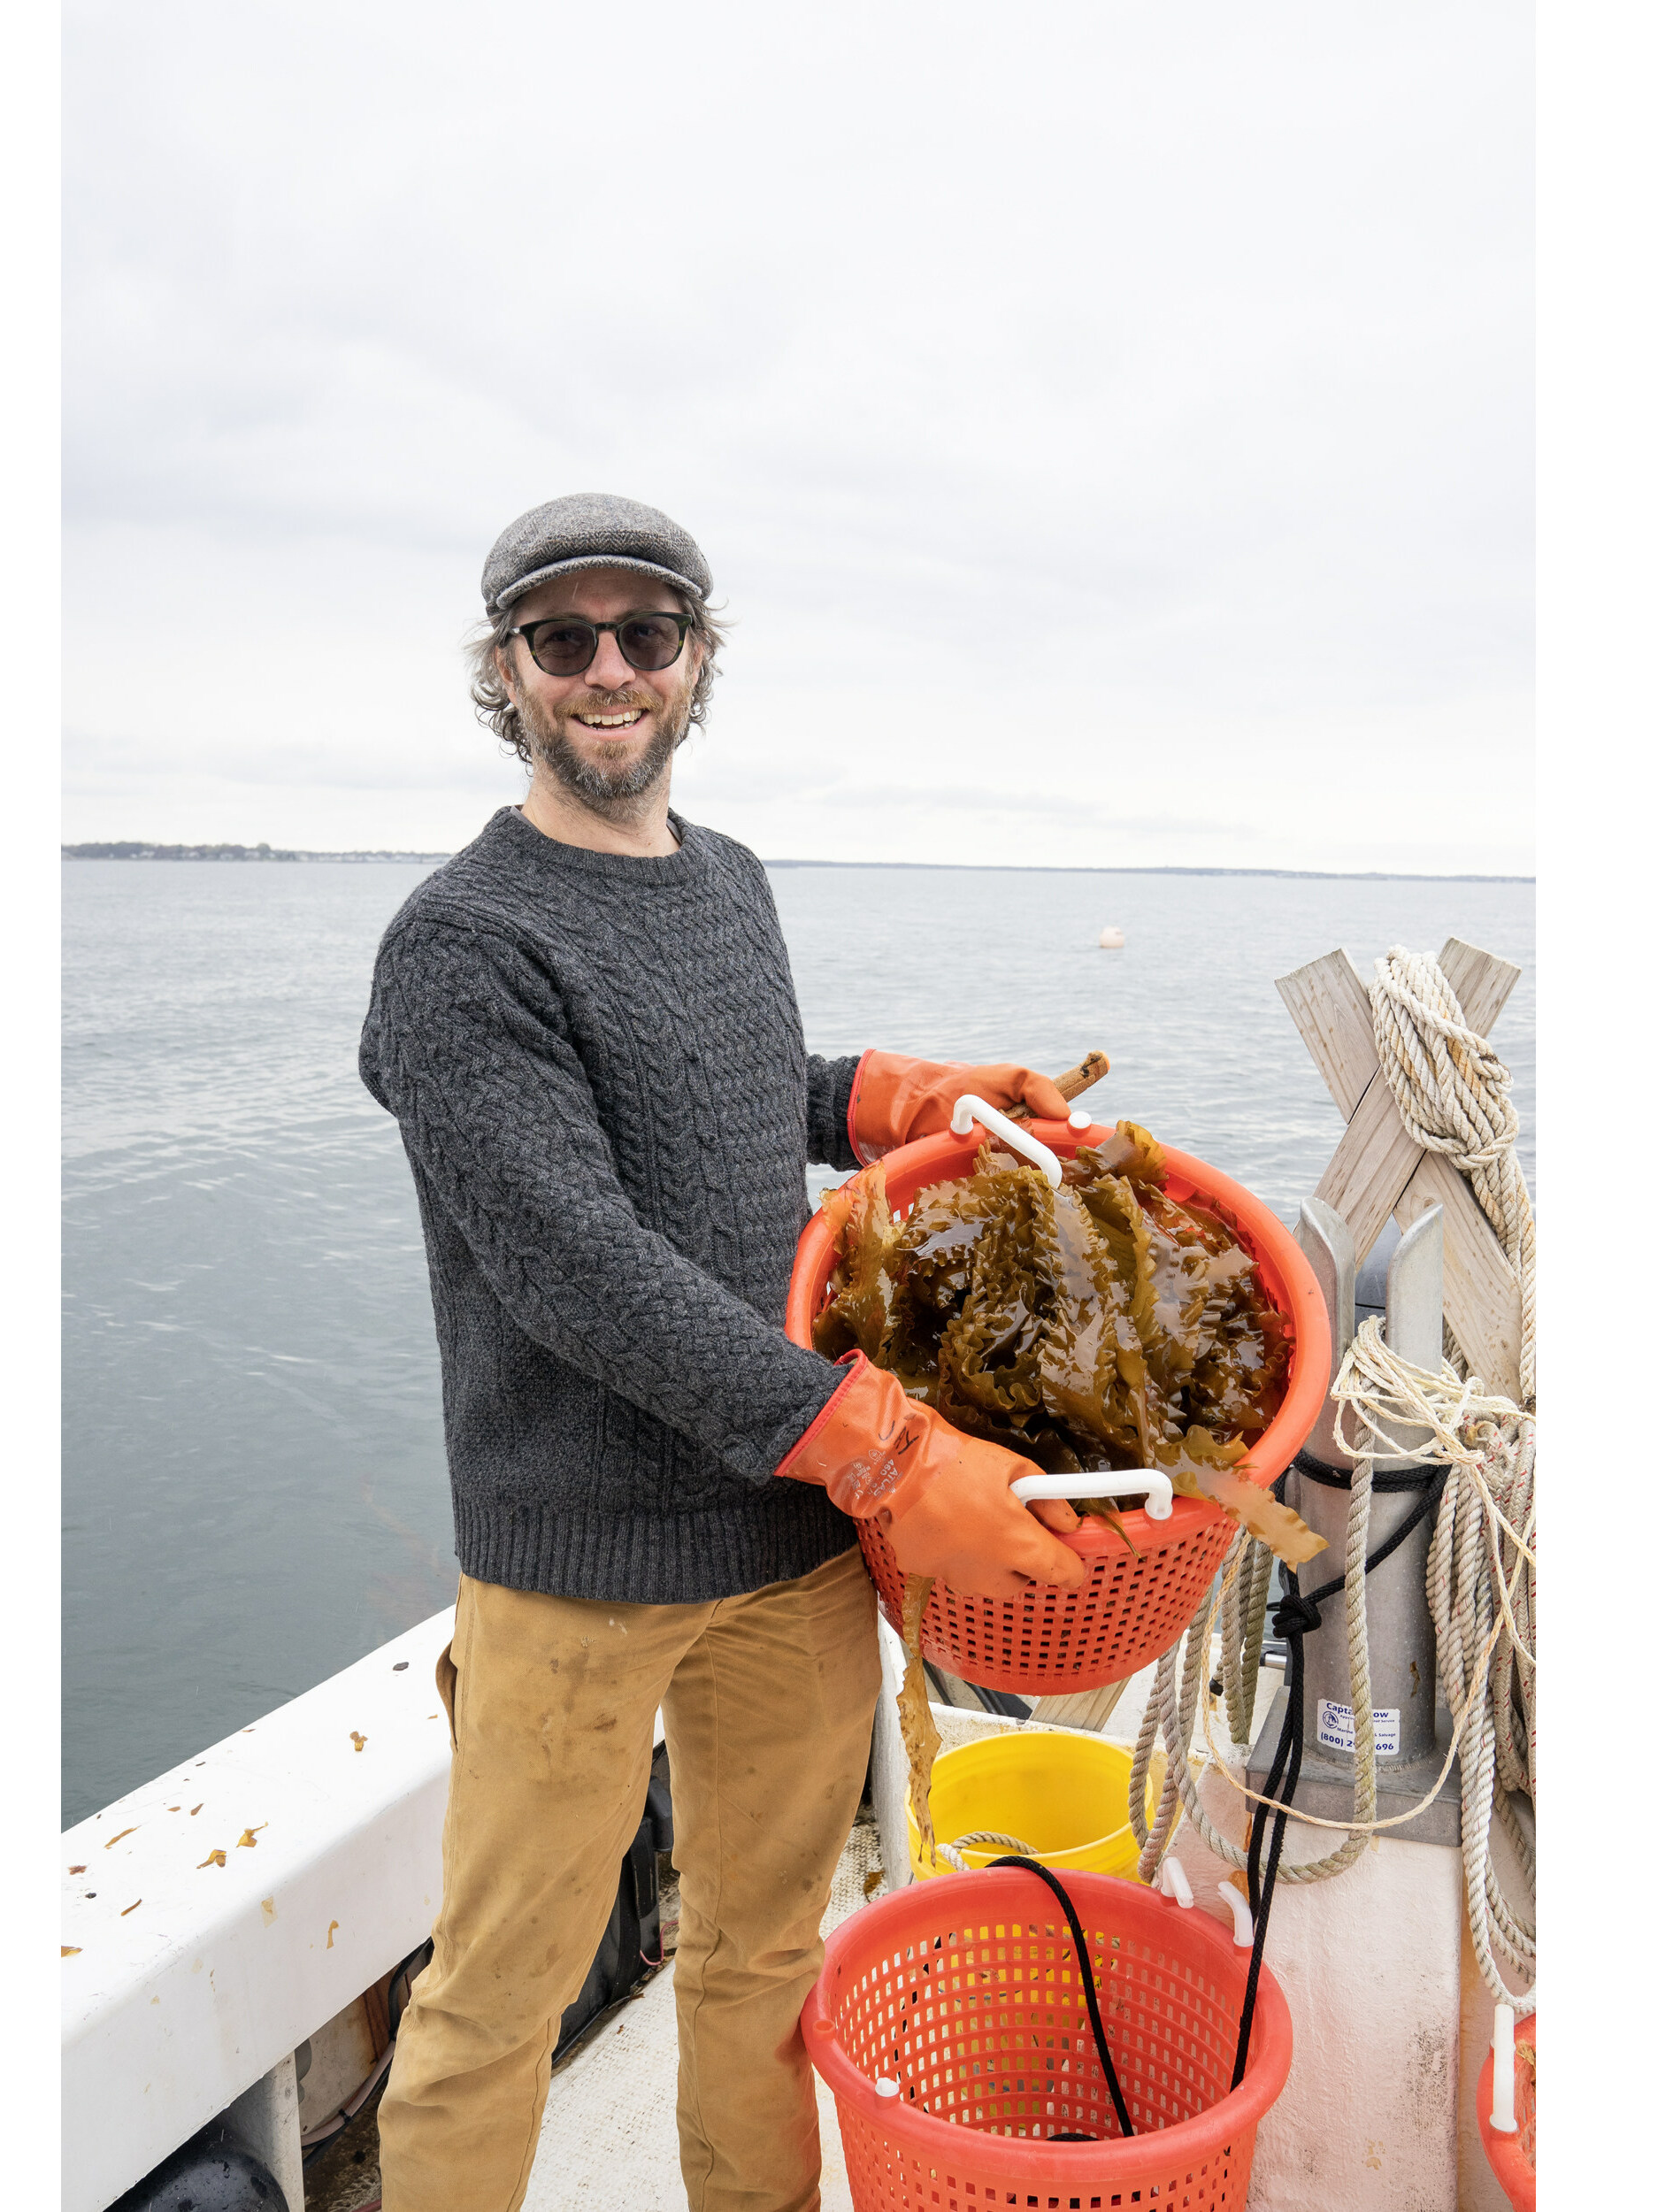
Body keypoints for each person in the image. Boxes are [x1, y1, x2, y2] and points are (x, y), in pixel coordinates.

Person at [356, 493, 1090, 2208]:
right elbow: (580, 1263)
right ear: (507, 675)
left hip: (784, 1545)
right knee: (492, 2002)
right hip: (578, 1562)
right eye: (562, 639)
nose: (608, 669)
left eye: (645, 633)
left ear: (695, 662)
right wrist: (893, 1448)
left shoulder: (732, 879)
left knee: (764, 1966)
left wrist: (902, 1099)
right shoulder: (459, 944)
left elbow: (740, 1095)